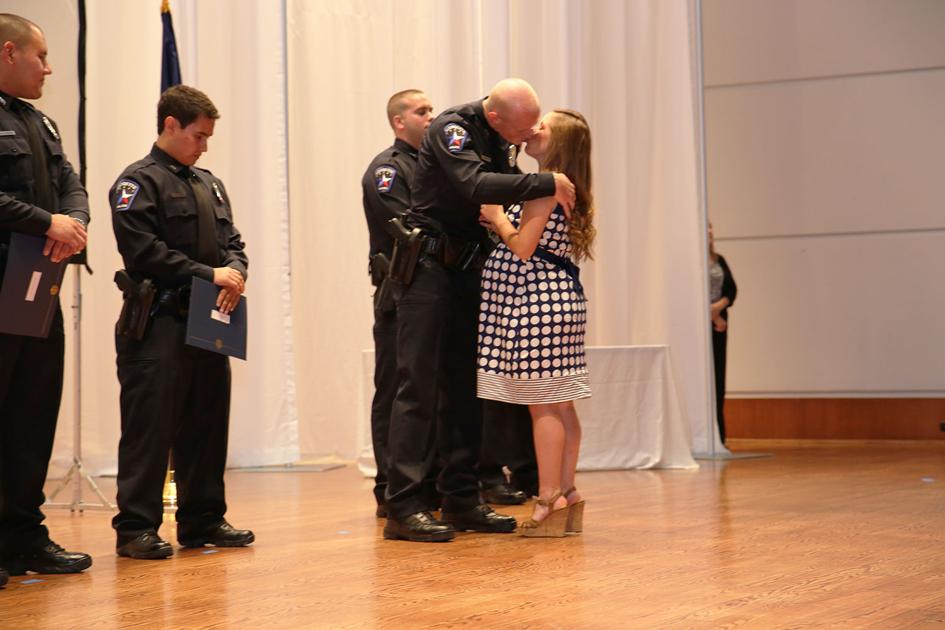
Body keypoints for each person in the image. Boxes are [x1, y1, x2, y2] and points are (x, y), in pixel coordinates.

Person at [382, 78, 576, 542]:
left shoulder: (500, 134)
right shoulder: (454, 128)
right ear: (494, 116)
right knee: (418, 388)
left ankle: (462, 499)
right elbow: (473, 185)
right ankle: (404, 507)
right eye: (521, 129)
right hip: (427, 268)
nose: (524, 138)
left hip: (467, 267)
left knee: (466, 390)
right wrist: (547, 179)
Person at [109, 84, 253, 559]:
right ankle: (136, 528)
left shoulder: (208, 182)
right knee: (151, 426)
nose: (205, 145)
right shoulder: (138, 182)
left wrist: (236, 273)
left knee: (207, 419)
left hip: (208, 318)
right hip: (159, 319)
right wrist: (210, 273)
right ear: (170, 125)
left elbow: (234, 241)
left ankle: (203, 519)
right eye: (198, 135)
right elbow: (143, 250)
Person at [0, 13, 92, 581]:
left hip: (37, 287)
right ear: (9, 53)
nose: (49, 68)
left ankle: (23, 536)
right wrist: (46, 222)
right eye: (41, 57)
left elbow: (71, 183)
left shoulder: (42, 123)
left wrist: (74, 222)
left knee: (34, 413)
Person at [478, 109, 595, 537]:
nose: (532, 130)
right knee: (561, 403)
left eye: (542, 127)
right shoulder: (566, 187)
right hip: (557, 300)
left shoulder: (544, 189)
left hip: (536, 302)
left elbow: (524, 247)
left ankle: (547, 500)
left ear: (558, 143)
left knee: (543, 404)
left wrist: (496, 216)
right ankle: (567, 491)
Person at [361, 89, 433, 517]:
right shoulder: (388, 171)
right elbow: (411, 226)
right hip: (398, 292)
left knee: (428, 389)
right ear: (398, 121)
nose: (431, 116)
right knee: (395, 389)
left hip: (429, 296)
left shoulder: (432, 165)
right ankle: (390, 486)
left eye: (431, 109)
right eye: (421, 111)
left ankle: (425, 481)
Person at [708, 222, 736, 445]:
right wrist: (712, 314)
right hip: (701, 325)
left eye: (711, 229)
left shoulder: (719, 259)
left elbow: (731, 290)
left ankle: (720, 437)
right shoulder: (693, 262)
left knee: (718, 378)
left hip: (720, 327)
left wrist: (719, 308)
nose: (709, 232)